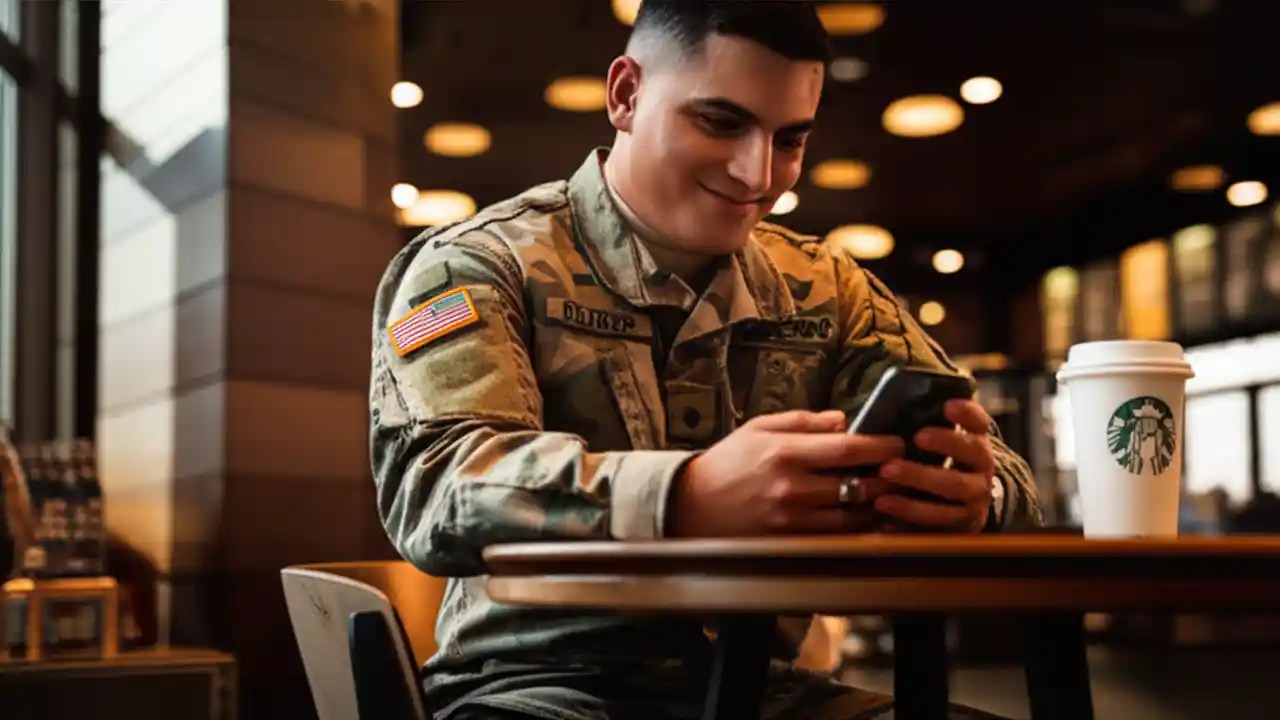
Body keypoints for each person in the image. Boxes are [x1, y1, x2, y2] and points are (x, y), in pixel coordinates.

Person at [370, 3, 1042, 718]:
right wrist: (684, 494)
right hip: (533, 691)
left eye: (789, 139)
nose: (759, 174)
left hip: (767, 690)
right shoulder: (477, 263)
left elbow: (1010, 479)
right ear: (626, 95)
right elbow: (437, 485)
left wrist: (976, 496)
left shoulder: (831, 289)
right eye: (721, 123)